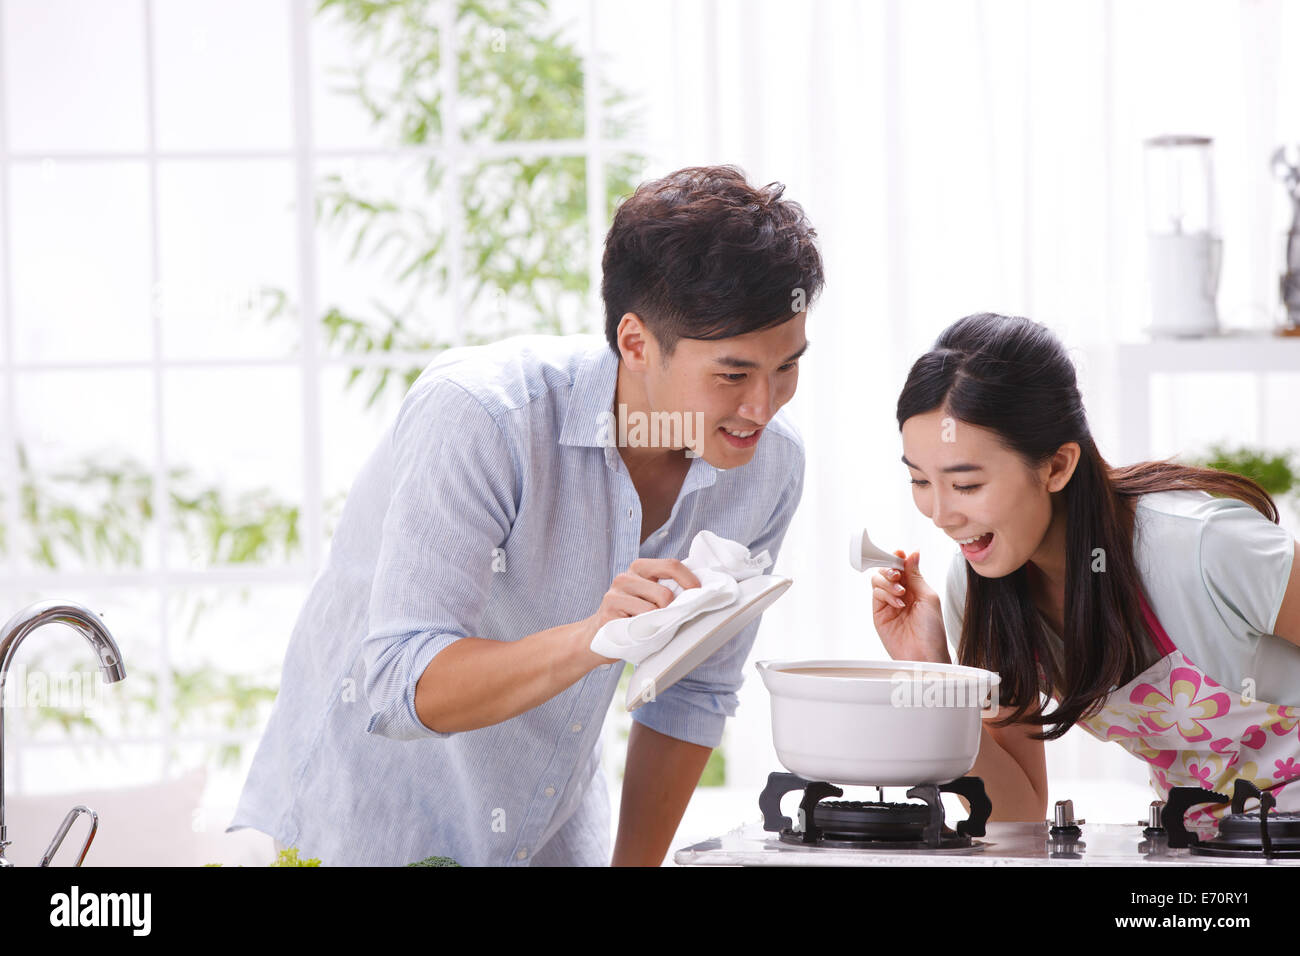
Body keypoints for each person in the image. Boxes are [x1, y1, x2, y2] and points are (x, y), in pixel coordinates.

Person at [227, 165, 825, 865]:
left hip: (547, 821)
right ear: (635, 344)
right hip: (367, 820)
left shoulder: (768, 465)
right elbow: (399, 680)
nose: (763, 405)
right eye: (733, 375)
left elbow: (691, 693)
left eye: (786, 367)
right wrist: (595, 639)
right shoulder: (483, 417)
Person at [871, 312, 1300, 833]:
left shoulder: (1204, 547)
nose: (941, 515)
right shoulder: (979, 585)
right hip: (1211, 847)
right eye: (920, 481)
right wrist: (935, 677)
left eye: (966, 485)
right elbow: (1017, 815)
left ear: (1056, 466)